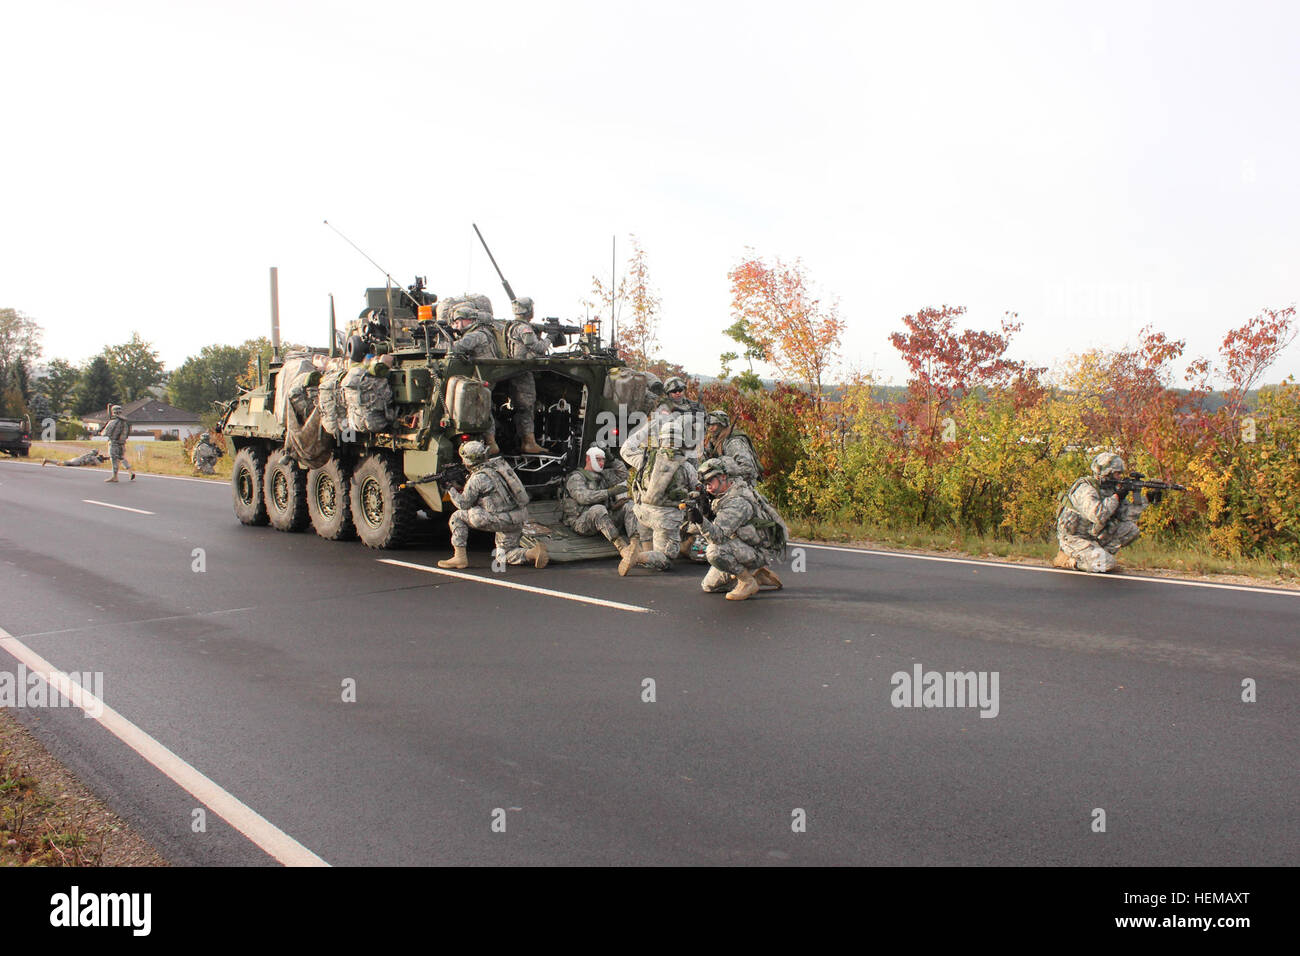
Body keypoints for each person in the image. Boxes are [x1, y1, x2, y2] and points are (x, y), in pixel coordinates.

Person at [438, 440, 548, 570]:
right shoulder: (499, 466)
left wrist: (450, 489)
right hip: (517, 517)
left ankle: (459, 558)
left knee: (457, 517)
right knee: (504, 555)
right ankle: (533, 553)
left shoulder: (477, 478)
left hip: (499, 519)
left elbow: (463, 504)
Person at [694, 458, 787, 600]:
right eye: (705, 484)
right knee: (709, 586)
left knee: (714, 552)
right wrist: (703, 508)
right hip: (745, 545)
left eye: (710, 482)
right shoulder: (730, 490)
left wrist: (699, 520)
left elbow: (716, 537)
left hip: (756, 551)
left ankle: (747, 581)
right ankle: (756, 574)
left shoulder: (737, 502)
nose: (708, 487)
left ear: (723, 477)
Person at [1054, 452, 1158, 573]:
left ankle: (1097, 556)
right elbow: (1097, 515)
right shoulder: (1086, 488)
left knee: (1131, 529)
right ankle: (1068, 560)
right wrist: (1117, 496)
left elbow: (1126, 515)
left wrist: (1147, 499)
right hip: (1074, 538)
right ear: (1106, 473)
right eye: (1117, 473)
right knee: (1106, 564)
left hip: (1092, 535)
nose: (1120, 477)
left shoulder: (1110, 489)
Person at [619, 417, 697, 575]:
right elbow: (695, 490)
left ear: (661, 439)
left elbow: (625, 449)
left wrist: (649, 426)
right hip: (666, 519)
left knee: (649, 543)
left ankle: (644, 555)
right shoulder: (686, 466)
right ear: (680, 441)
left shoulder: (646, 459)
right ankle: (637, 557)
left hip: (642, 514)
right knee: (666, 559)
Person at [561, 446, 637, 560]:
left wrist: (612, 459)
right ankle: (622, 547)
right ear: (588, 459)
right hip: (582, 522)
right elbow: (583, 497)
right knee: (598, 509)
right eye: (598, 459)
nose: (601, 463)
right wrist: (608, 492)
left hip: (605, 519)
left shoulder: (603, 475)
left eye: (603, 460)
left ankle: (635, 544)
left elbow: (623, 474)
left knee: (629, 505)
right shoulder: (576, 477)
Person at [498, 297, 548, 455]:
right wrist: (550, 338)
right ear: (529, 310)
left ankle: (525, 441)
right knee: (527, 407)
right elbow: (538, 348)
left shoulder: (510, 326)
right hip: (522, 370)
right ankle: (529, 443)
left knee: (522, 406)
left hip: (514, 369)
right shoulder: (523, 328)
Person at [702, 409, 761, 483]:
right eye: (708, 425)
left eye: (713, 425)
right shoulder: (714, 442)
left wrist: (725, 475)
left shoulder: (733, 443)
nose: (710, 428)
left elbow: (748, 469)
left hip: (742, 485)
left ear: (722, 425)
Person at [100, 404, 135, 482]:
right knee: (121, 458)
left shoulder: (113, 422)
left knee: (114, 459)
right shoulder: (126, 422)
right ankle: (130, 471)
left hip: (114, 443)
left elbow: (106, 432)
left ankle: (115, 476)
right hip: (122, 443)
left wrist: (101, 432)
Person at [43, 450, 108, 467]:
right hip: (77, 462)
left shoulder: (87, 455)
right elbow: (98, 464)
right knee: (61, 463)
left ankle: (48, 460)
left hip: (76, 459)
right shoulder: (92, 457)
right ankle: (47, 460)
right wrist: (100, 461)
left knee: (62, 462)